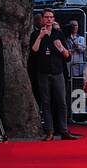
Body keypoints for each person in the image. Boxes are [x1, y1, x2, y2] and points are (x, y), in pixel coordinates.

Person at [29, 9, 76, 141]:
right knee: (46, 102)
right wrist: (40, 36)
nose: (49, 19)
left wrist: (61, 48)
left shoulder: (58, 34)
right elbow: (33, 51)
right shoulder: (35, 34)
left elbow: (67, 56)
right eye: (46, 17)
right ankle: (49, 132)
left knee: (61, 101)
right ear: (42, 19)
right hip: (43, 72)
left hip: (57, 72)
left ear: (54, 19)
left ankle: (64, 130)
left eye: (51, 17)